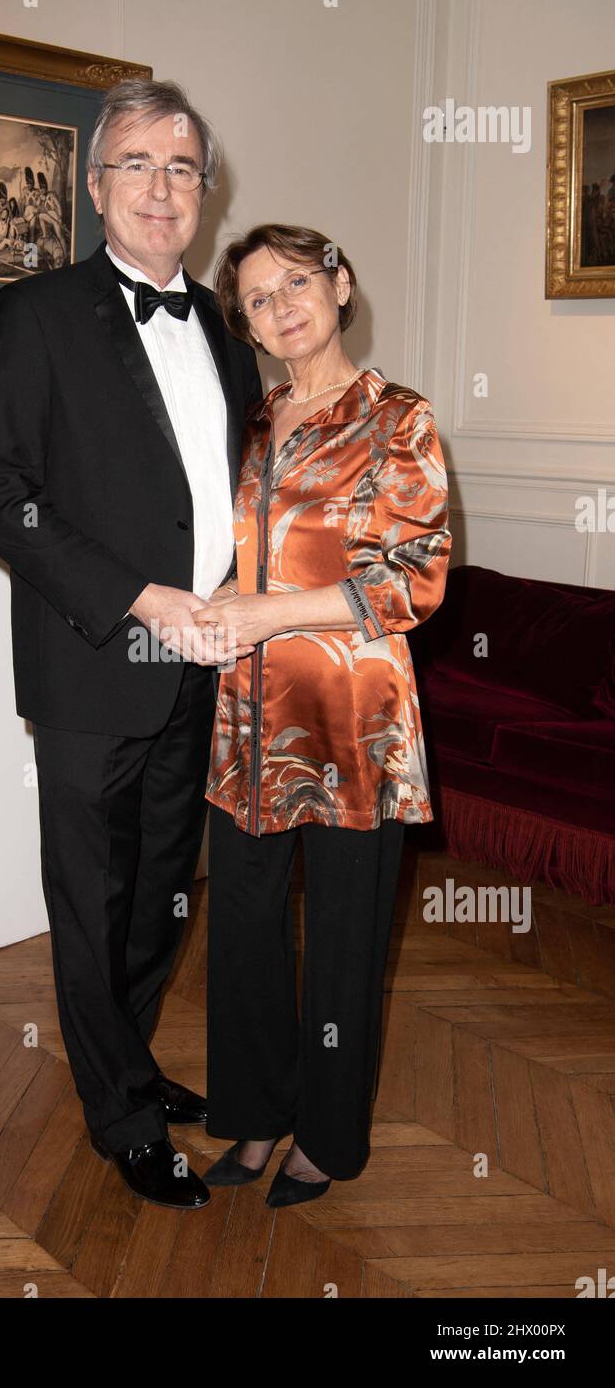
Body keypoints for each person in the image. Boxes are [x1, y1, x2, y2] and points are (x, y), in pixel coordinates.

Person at [0, 79, 262, 1211]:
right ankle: (121, 1116)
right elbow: (1, 498)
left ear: (203, 192)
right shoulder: (33, 314)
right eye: (135, 163)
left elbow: (231, 498)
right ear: (95, 187)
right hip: (94, 659)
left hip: (201, 668)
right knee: (90, 896)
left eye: (181, 168)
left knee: (156, 900)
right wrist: (139, 597)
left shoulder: (228, 339)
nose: (160, 187)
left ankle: (121, 1062)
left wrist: (241, 592)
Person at [193, 223, 451, 1207]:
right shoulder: (253, 424)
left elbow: (410, 581)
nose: (279, 306)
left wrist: (266, 610)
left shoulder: (399, 419)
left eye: (295, 281)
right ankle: (256, 1111)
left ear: (338, 284)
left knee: (343, 937)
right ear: (247, 326)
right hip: (248, 720)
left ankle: (327, 1137)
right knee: (245, 926)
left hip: (352, 721)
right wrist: (208, 603)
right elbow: (234, 550)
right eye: (256, 299)